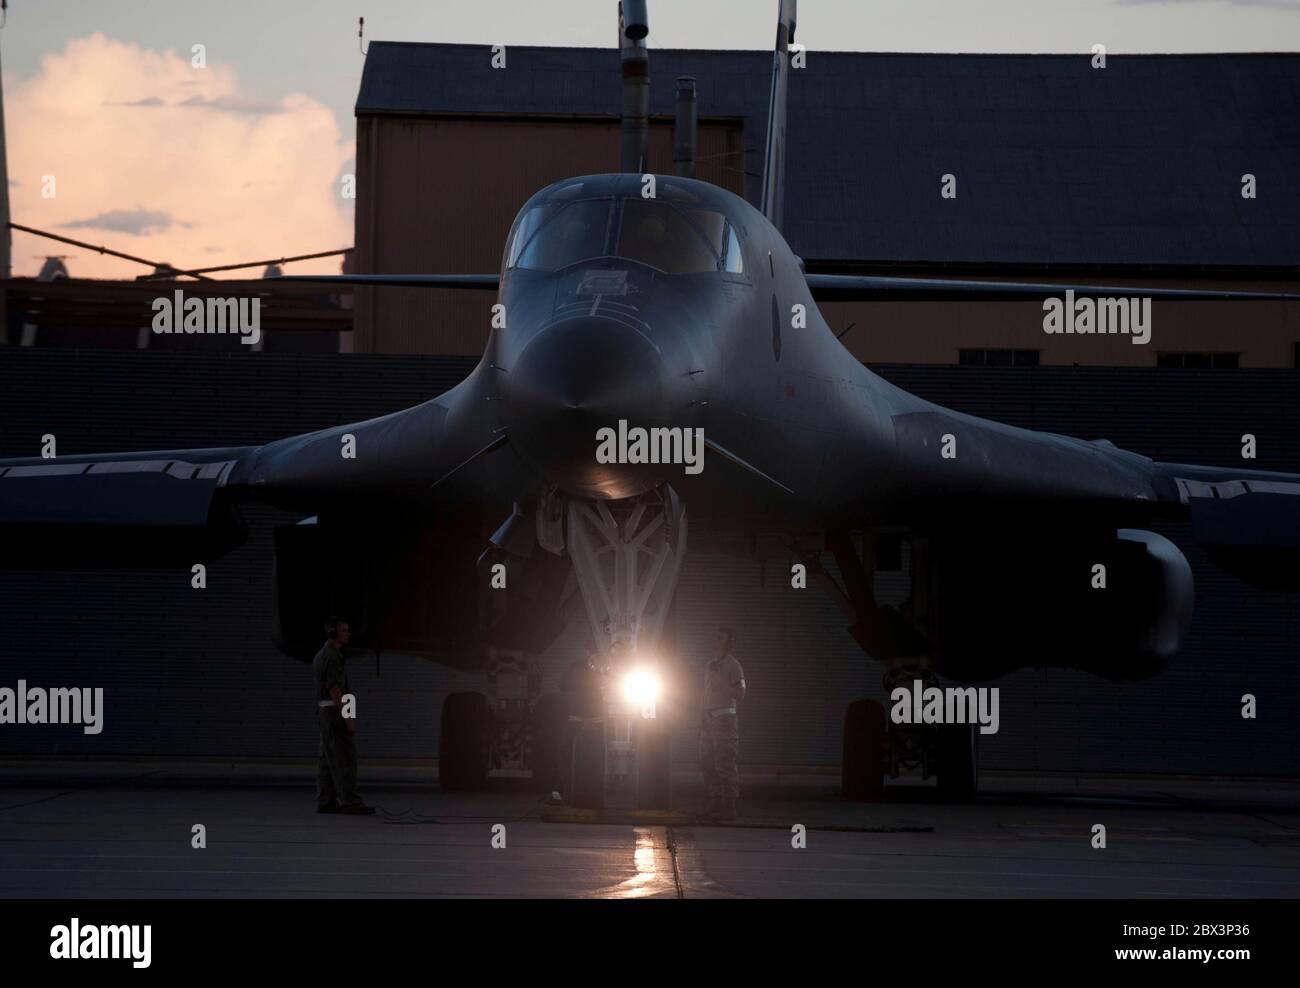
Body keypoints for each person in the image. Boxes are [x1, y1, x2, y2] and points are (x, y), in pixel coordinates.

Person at [313, 617, 375, 815]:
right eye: (344, 630)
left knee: (326, 759)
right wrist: (349, 717)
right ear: (333, 633)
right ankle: (351, 801)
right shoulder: (332, 656)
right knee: (345, 758)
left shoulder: (322, 655)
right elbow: (335, 689)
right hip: (335, 712)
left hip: (326, 712)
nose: (348, 633)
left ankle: (326, 800)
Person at [699, 626, 746, 821]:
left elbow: (740, 694)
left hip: (725, 720)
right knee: (706, 761)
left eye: (720, 638)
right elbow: (706, 693)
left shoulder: (733, 665)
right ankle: (715, 803)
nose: (716, 641)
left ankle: (729, 807)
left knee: (725, 762)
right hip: (709, 719)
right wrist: (701, 715)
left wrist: (722, 684)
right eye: (715, 637)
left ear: (728, 643)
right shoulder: (710, 664)